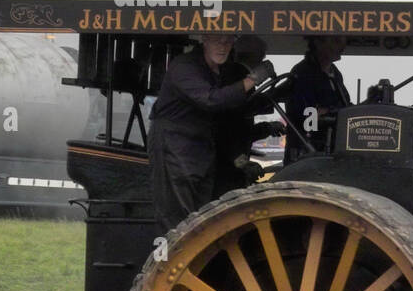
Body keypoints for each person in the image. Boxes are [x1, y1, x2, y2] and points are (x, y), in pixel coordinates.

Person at [149, 33, 274, 233]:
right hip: (176, 149)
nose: (223, 46)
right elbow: (211, 100)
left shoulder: (219, 70)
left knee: (199, 217)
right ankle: (174, 262)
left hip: (200, 152)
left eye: (227, 41)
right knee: (178, 218)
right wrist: (253, 79)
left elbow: (227, 121)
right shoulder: (184, 67)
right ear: (204, 39)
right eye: (217, 40)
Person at [212, 36, 287, 197]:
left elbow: (240, 125)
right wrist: (241, 163)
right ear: (256, 56)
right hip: (225, 163)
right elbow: (228, 128)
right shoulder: (238, 76)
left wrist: (267, 128)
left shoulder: (231, 74)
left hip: (229, 158)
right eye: (262, 56)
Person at [285, 36, 351, 162]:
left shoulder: (335, 73)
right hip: (307, 153)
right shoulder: (303, 73)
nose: (342, 48)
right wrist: (332, 113)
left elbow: (345, 107)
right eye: (336, 41)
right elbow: (307, 117)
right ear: (318, 43)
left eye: (344, 43)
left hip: (332, 150)